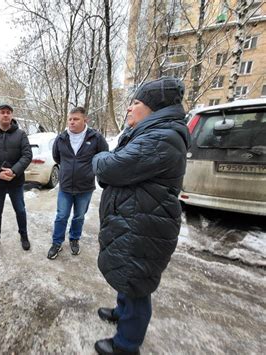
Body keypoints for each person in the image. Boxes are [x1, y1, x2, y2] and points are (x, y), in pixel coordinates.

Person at [92, 77, 190, 355]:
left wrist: (99, 158)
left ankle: (126, 345)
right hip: (138, 218)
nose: (129, 109)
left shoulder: (161, 138)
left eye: (135, 103)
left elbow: (111, 166)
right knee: (129, 273)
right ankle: (122, 312)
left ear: (153, 108)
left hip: (145, 222)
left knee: (136, 283)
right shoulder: (152, 133)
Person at [47, 107, 108, 260]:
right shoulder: (61, 138)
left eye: (76, 119)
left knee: (79, 216)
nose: (72, 122)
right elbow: (57, 158)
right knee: (61, 216)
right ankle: (57, 242)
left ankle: (74, 239)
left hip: (85, 187)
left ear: (85, 120)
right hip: (65, 186)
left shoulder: (96, 138)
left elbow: (104, 157)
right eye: (70, 119)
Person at [0, 104, 32, 255]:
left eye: (8, 112)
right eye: (2, 112)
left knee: (20, 211)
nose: (6, 115)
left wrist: (14, 171)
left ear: (12, 115)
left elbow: (27, 155)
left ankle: (24, 235)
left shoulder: (21, 134)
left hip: (16, 181)